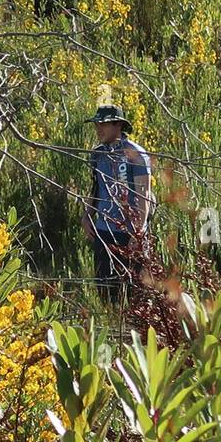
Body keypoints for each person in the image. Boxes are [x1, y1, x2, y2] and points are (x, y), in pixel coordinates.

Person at [80, 105, 153, 303]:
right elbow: (95, 188)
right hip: (104, 230)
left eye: (103, 124)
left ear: (118, 125)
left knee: (136, 292)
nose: (98, 129)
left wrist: (137, 232)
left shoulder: (136, 154)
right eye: (96, 124)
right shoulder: (97, 154)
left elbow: (143, 195)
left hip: (129, 232)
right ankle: (109, 325)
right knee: (105, 290)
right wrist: (86, 216)